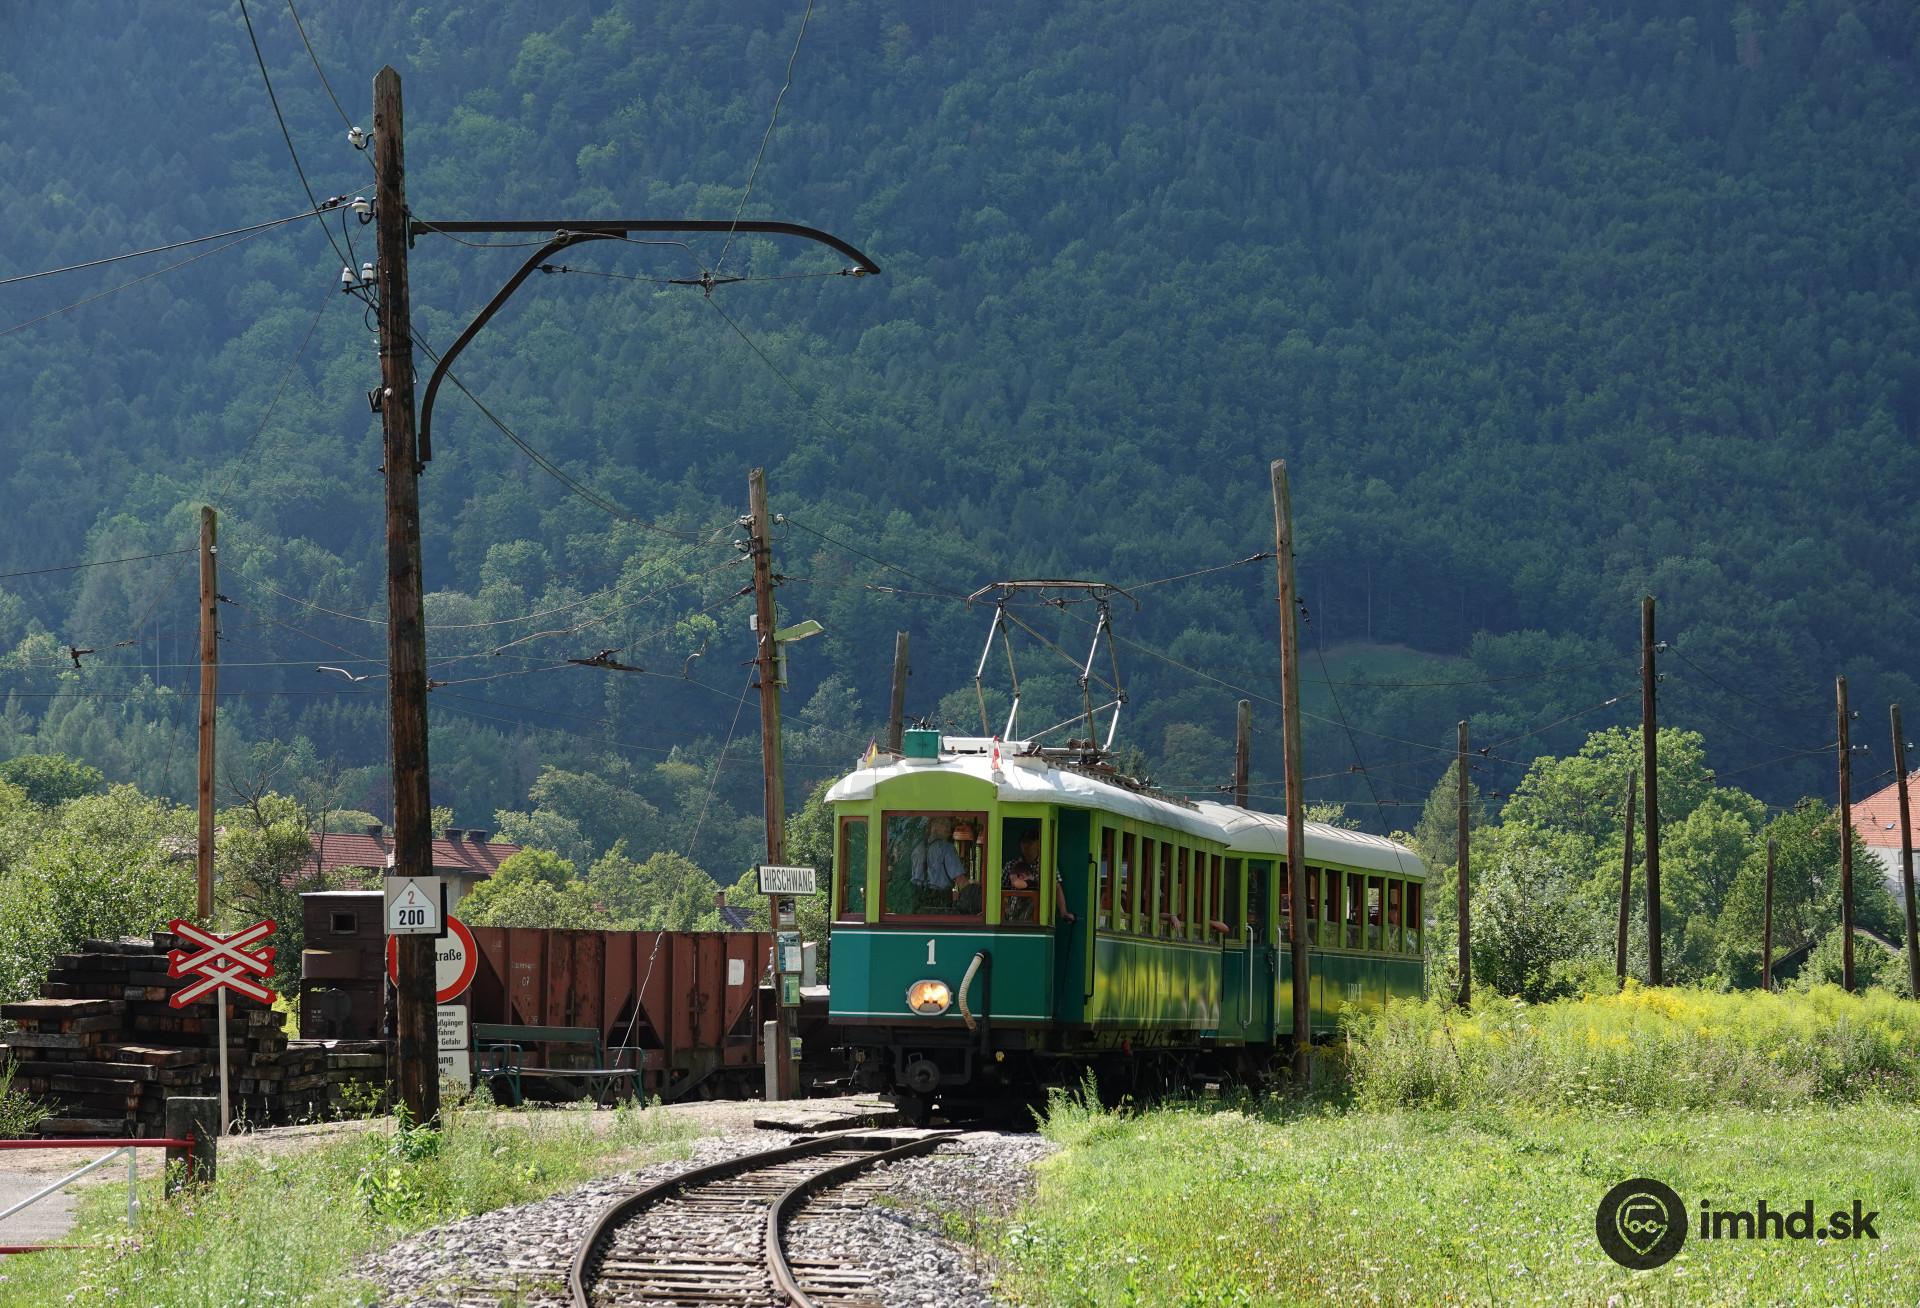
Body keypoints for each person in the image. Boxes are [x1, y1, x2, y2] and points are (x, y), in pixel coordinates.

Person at [911, 816, 965, 908]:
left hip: (918, 901)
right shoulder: (947, 849)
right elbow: (960, 880)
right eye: (944, 823)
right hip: (940, 902)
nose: (948, 827)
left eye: (948, 824)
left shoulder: (917, 849)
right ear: (933, 826)